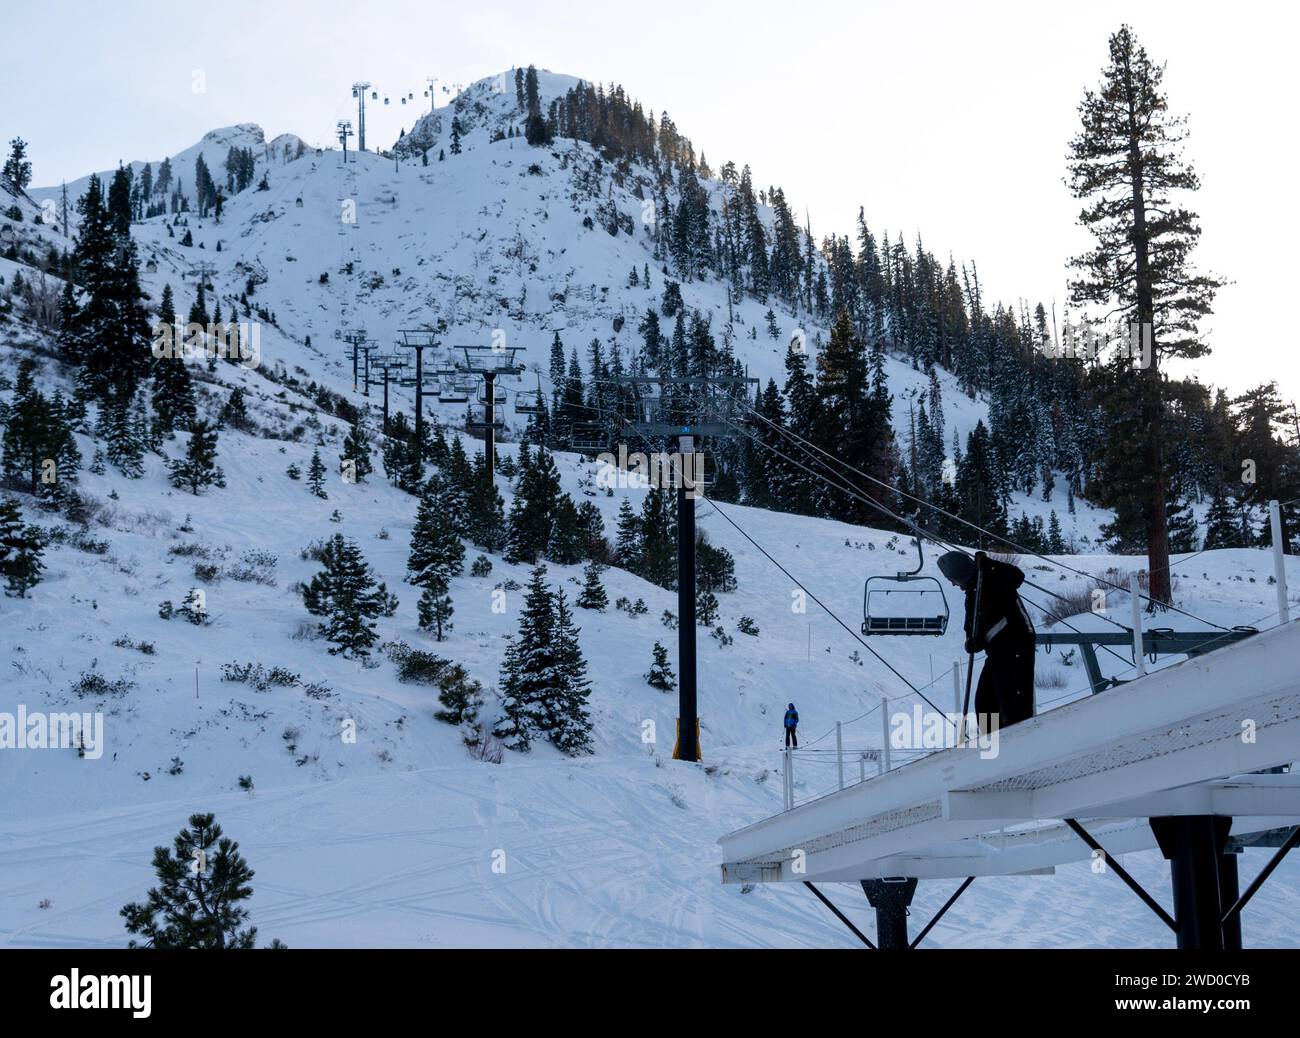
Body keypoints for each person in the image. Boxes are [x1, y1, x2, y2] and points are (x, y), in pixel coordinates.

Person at [937, 550, 1035, 732]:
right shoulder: (972, 592)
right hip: (997, 651)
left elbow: (1017, 576)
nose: (952, 584)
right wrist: (972, 641)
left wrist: (990, 564)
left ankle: (1019, 739)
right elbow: (972, 624)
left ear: (960, 572)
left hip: (1016, 643)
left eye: (951, 578)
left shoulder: (990, 576)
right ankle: (993, 741)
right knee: (985, 701)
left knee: (1012, 699)